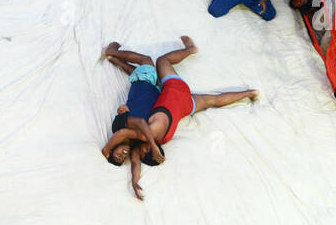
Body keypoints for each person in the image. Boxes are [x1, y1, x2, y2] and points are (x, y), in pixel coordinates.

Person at [101, 36, 257, 198]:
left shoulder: (151, 137)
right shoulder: (149, 134)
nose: (125, 155)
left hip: (178, 103)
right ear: (146, 149)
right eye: (122, 158)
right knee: (156, 62)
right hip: (171, 91)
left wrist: (134, 181)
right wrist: (151, 145)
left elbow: (134, 160)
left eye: (119, 155)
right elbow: (133, 131)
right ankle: (189, 50)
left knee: (213, 101)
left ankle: (249, 93)